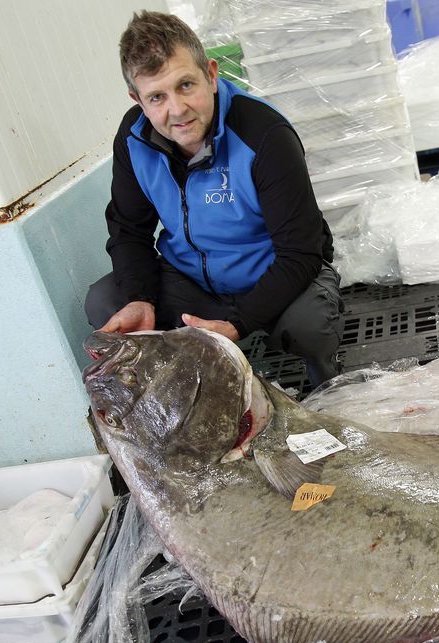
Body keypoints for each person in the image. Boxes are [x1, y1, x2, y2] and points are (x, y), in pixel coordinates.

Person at [85, 11, 342, 384]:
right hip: (193, 284)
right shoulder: (133, 138)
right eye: (157, 97)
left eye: (186, 85)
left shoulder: (264, 134)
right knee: (105, 299)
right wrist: (141, 298)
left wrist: (238, 323)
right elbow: (129, 231)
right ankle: (183, 393)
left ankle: (326, 383)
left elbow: (300, 252)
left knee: (309, 326)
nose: (177, 110)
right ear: (137, 100)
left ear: (211, 74)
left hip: (273, 277)